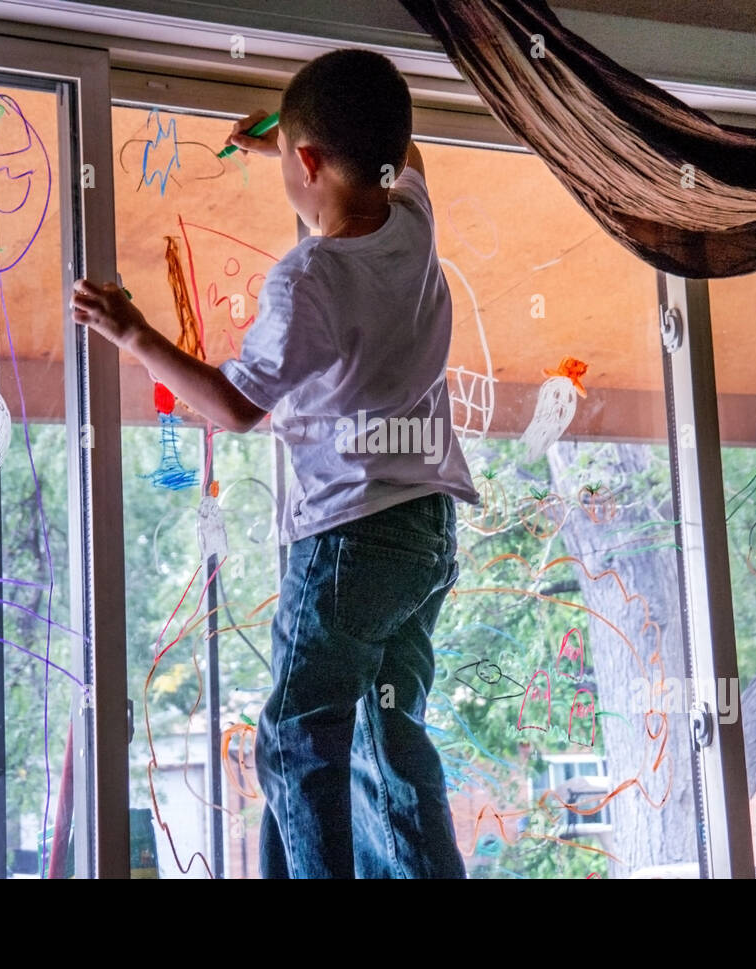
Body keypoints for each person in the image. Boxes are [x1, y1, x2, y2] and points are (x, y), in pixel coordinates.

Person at [71, 48, 478, 879]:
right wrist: (297, 142)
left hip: (350, 538)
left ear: (308, 162)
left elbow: (237, 406)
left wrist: (135, 334)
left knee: (299, 739)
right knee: (390, 735)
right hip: (426, 532)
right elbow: (408, 157)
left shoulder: (310, 278)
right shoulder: (413, 221)